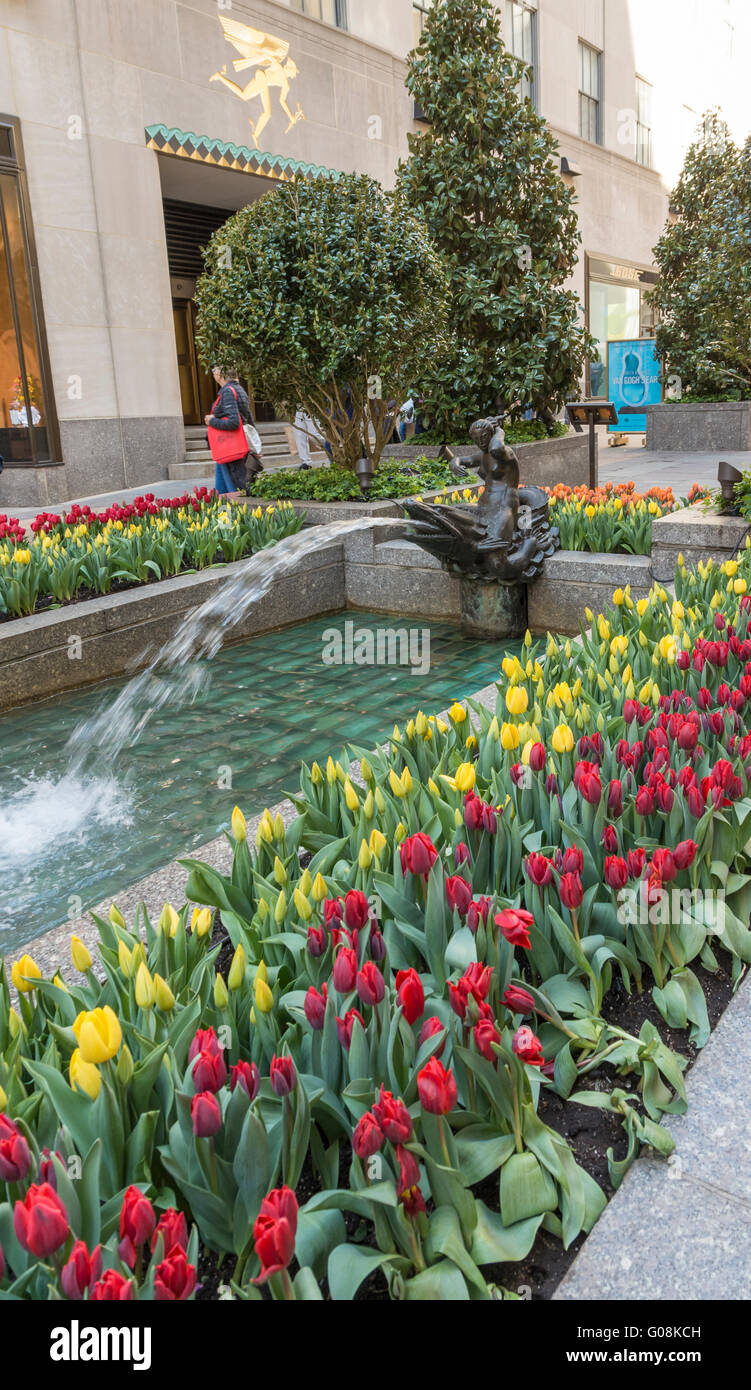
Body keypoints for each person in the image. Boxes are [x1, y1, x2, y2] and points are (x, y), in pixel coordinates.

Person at [205, 367, 262, 494]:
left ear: (220, 374)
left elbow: (234, 422)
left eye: (214, 369)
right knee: (223, 493)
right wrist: (255, 447)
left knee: (235, 491)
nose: (213, 372)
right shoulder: (239, 389)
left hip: (230, 449)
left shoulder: (228, 392)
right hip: (228, 449)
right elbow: (249, 420)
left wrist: (211, 420)